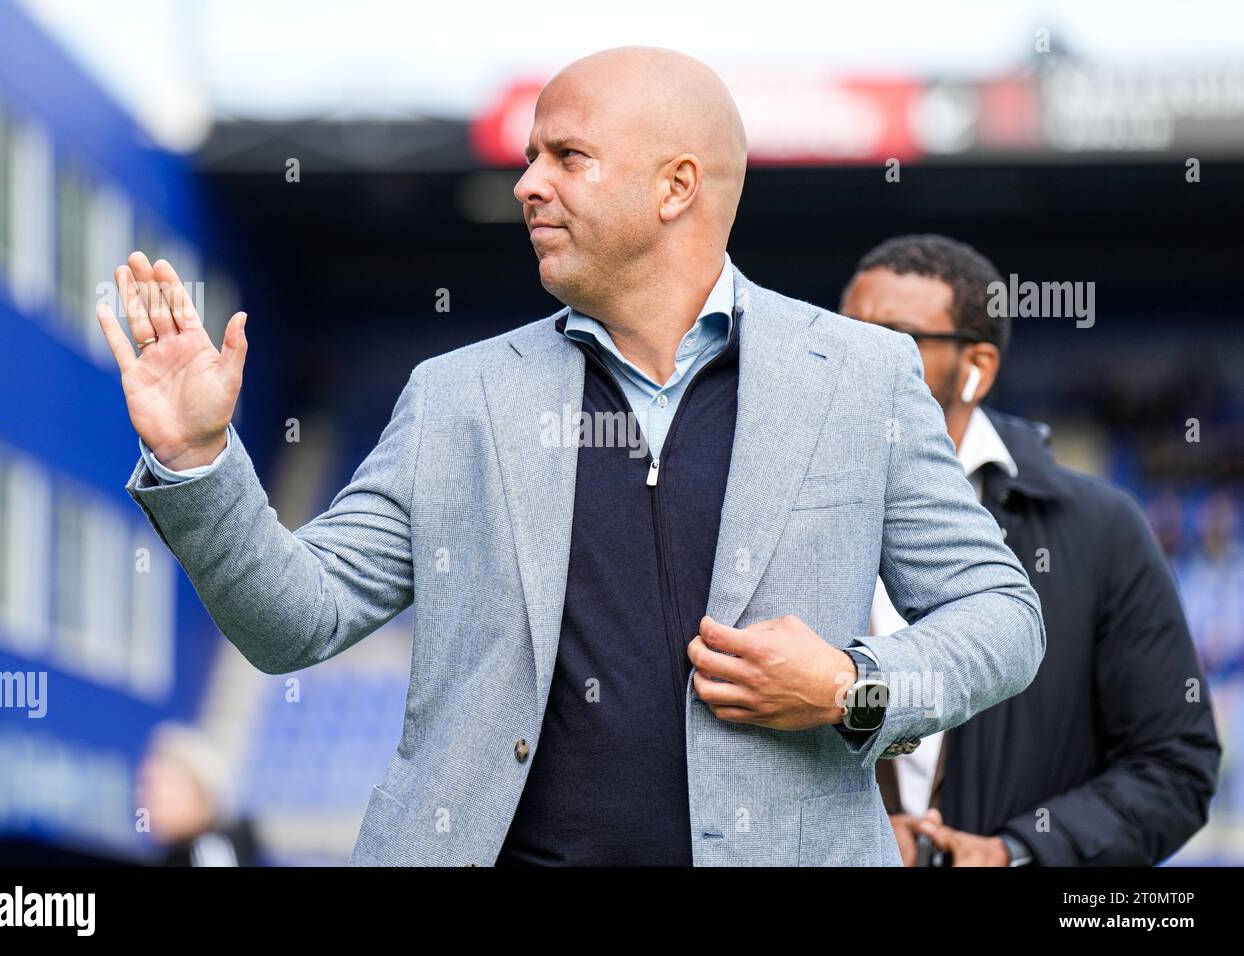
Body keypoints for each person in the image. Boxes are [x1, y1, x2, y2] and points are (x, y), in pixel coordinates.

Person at [95, 48, 1043, 867]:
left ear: (676, 187)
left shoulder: (862, 378)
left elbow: (1001, 616)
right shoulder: (458, 396)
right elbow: (295, 623)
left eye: (568, 157)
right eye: (529, 156)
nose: (526, 184)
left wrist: (850, 685)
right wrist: (199, 457)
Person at [840, 234, 1221, 866]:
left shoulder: (1099, 528)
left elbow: (1173, 764)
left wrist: (1017, 852)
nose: (856, 356)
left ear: (977, 368)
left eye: (894, 336)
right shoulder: (776, 515)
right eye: (842, 331)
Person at [136, 722, 262, 867]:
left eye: (159, 798)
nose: (144, 802)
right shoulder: (176, 854)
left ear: (201, 795)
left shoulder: (213, 851)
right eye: (144, 788)